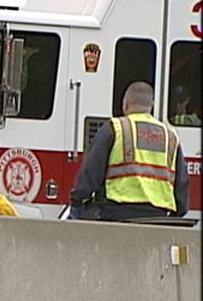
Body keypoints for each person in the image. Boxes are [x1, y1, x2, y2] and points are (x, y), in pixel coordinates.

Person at [69, 81, 188, 221]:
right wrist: (176, 214)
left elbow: (91, 173)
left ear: (125, 104)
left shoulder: (115, 128)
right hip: (158, 216)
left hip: (116, 213)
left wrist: (77, 202)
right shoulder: (171, 136)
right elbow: (182, 184)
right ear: (151, 107)